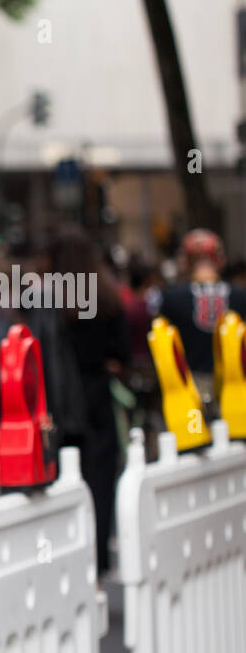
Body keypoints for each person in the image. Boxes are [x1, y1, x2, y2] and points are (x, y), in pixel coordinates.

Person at [34, 227, 130, 577]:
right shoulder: (106, 298)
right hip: (98, 402)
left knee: (61, 485)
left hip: (59, 408)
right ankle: (97, 563)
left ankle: (65, 563)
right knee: (99, 485)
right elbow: (122, 353)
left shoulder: (47, 301)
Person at [152, 229, 246, 380]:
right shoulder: (241, 296)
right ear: (220, 258)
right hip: (236, 385)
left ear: (185, 260)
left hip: (188, 387)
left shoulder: (169, 298)